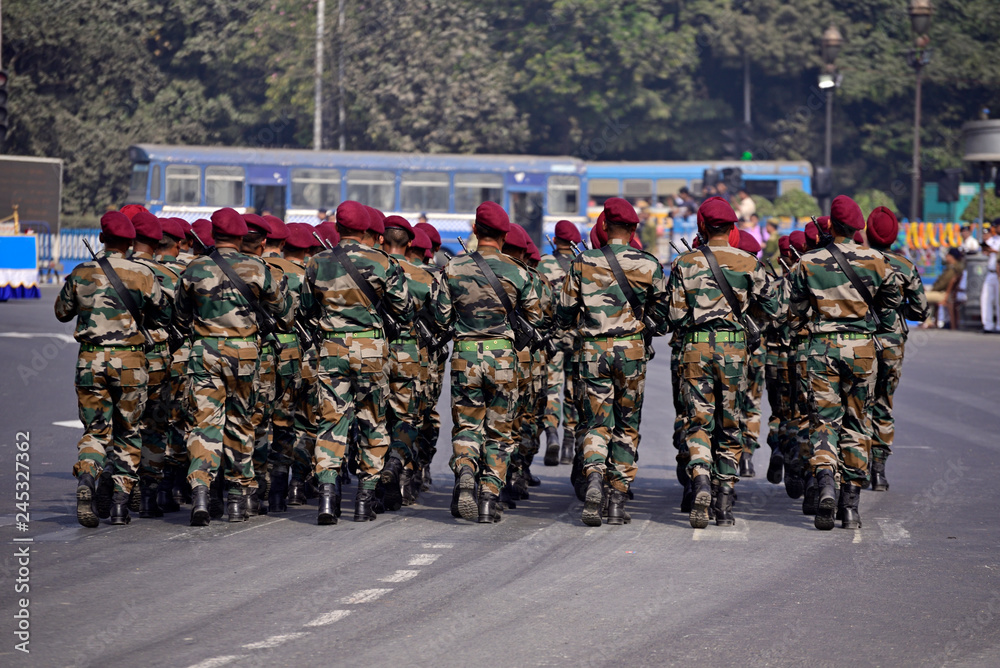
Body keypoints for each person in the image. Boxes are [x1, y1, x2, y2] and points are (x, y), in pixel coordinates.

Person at [788, 195, 901, 531]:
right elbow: (893, 301)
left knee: (824, 421)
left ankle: (825, 482)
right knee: (858, 422)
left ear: (831, 226)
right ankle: (850, 506)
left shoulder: (809, 262)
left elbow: (793, 312)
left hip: (822, 349)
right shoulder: (877, 260)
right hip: (863, 350)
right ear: (858, 227)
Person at [667, 198, 781, 529]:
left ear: (701, 228)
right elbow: (772, 308)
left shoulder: (684, 263)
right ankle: (725, 501)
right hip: (734, 352)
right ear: (733, 229)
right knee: (730, 424)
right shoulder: (749, 263)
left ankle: (701, 476)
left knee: (699, 421)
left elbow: (674, 315)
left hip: (695, 349)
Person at [557, 198, 669, 526]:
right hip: (632, 352)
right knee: (627, 424)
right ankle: (618, 499)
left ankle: (593, 477)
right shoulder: (649, 264)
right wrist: (642, 326)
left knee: (596, 423)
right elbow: (664, 316)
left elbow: (563, 311)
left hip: (592, 351)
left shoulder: (582, 262)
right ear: (634, 230)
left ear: (603, 227)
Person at [175, 207, 289, 526]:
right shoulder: (259, 268)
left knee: (204, 422)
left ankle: (200, 490)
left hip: (205, 351)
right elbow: (282, 310)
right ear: (241, 236)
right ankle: (237, 499)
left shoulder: (195, 268)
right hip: (245, 354)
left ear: (213, 235)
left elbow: (180, 316)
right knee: (241, 421)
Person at [434, 202, 543, 523]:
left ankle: (466, 471)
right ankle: (488, 496)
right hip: (504, 358)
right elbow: (536, 316)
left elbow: (441, 319)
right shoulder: (519, 271)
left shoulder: (453, 269)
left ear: (474, 231)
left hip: (465, 354)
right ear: (505, 234)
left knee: (468, 425)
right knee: (500, 430)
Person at [55, 211, 166, 527]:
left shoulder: (81, 272)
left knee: (96, 430)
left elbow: (62, 312)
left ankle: (87, 478)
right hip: (130, 362)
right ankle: (119, 505)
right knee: (129, 430)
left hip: (90, 360)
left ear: (102, 238)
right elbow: (161, 311)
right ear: (130, 242)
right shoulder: (142, 273)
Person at [304, 201, 412, 524]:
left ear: (337, 228)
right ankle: (364, 499)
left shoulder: (318, 262)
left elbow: (306, 307)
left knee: (331, 420)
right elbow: (403, 307)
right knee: (372, 419)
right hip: (371, 350)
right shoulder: (382, 263)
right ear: (366, 230)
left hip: (332, 347)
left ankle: (327, 495)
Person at [865, 207, 928, 491]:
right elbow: (921, 311)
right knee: (883, 404)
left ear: (867, 233)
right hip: (891, 343)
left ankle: (854, 463)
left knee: (856, 403)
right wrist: (896, 307)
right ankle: (878, 471)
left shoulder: (858, 261)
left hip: (860, 341)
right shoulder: (905, 266)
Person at [381, 215, 440, 508]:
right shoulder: (425, 278)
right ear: (411, 243)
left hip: (376, 351)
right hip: (410, 354)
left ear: (381, 239)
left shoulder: (372, 270)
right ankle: (397, 463)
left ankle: (374, 482)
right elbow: (442, 320)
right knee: (407, 417)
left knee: (374, 417)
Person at [127, 212, 181, 518]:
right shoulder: (168, 277)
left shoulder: (113, 270)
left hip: (121, 356)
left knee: (121, 423)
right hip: (158, 358)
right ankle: (148, 496)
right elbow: (178, 318)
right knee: (155, 426)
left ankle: (115, 488)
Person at [537, 220, 581, 466]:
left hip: (551, 338)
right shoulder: (583, 263)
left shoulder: (543, 263)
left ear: (555, 240)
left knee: (551, 388)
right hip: (576, 337)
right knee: (574, 390)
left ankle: (551, 432)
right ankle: (568, 444)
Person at [923, 248, 965, 328]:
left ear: (951, 256)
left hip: (944, 294)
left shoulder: (952, 269)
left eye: (947, 255)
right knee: (927, 297)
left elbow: (942, 284)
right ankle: (928, 322)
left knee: (921, 296)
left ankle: (927, 322)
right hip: (944, 293)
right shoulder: (953, 267)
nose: (946, 257)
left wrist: (932, 290)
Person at [981, 221, 1000, 333]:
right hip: (991, 272)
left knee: (998, 300)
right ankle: (988, 325)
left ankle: (999, 326)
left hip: (999, 274)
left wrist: (995, 251)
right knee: (986, 298)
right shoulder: (993, 239)